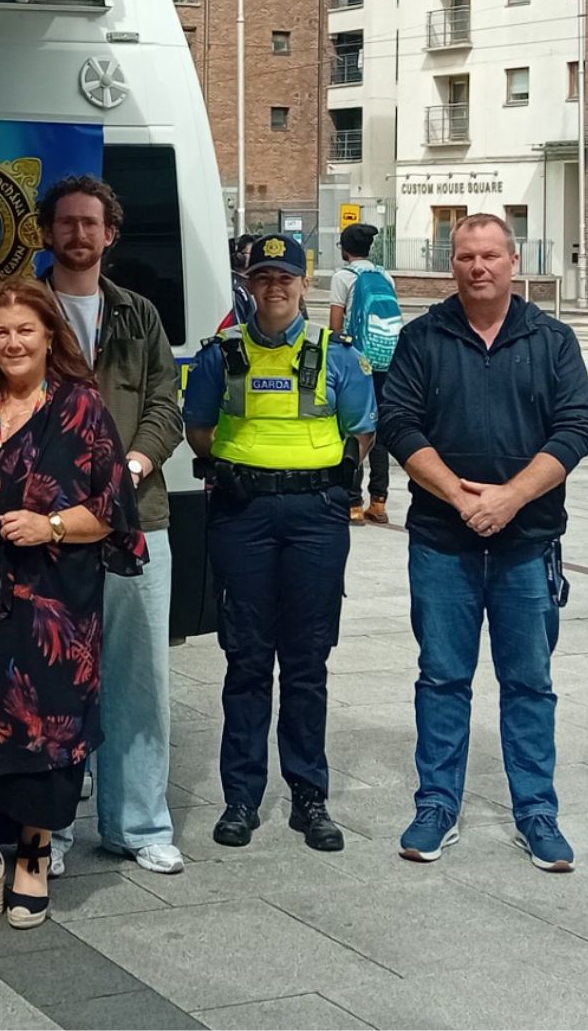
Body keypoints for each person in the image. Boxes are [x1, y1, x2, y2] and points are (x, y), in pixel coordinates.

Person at [0, 279, 139, 933]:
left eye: (24, 330)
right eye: (0, 331)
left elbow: (113, 510)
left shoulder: (80, 406)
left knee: (43, 729)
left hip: (50, 606)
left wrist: (53, 526)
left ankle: (32, 856)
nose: (12, 342)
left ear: (48, 335)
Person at [378, 214, 588, 873]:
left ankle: (536, 813)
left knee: (527, 680)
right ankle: (435, 805)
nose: (479, 267)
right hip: (442, 542)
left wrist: (508, 497)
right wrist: (460, 495)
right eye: (466, 256)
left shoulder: (552, 340)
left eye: (490, 255)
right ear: (453, 265)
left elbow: (575, 427)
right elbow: (397, 422)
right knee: (442, 677)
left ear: (512, 260)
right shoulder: (421, 338)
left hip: (526, 542)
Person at [185, 232, 374, 854]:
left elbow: (361, 431)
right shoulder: (222, 354)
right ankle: (240, 798)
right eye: (263, 276)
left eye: (284, 277)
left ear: (304, 284)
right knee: (244, 660)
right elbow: (200, 431)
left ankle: (309, 797)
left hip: (316, 516)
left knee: (307, 660)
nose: (274, 287)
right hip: (243, 514)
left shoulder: (337, 354)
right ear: (251, 281)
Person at [38, 175, 186, 877]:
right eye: (66, 223)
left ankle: (138, 824)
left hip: (135, 518)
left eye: (90, 223)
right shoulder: (22, 310)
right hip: (49, 525)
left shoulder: (139, 315)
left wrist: (127, 468)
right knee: (54, 680)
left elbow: (165, 403)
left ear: (109, 234)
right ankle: (52, 832)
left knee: (138, 678)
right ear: (47, 232)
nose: (78, 234)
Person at [327, 222, 400, 525]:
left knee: (355, 428)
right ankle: (379, 503)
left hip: (356, 359)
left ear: (344, 250)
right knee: (379, 430)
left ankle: (353, 503)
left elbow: (334, 324)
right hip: (386, 359)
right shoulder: (385, 276)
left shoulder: (343, 277)